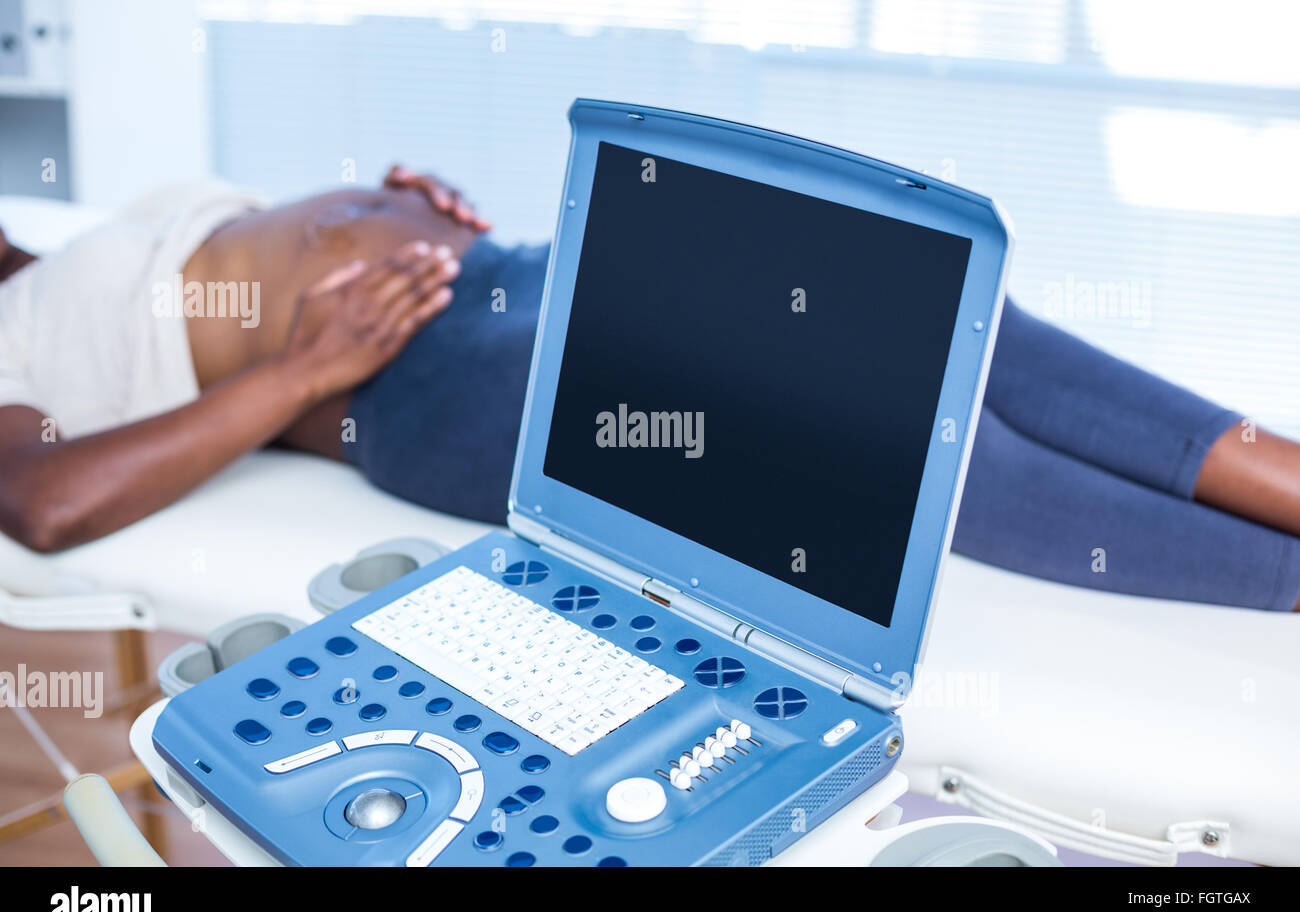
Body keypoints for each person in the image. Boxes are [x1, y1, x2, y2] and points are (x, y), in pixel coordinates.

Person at [1, 170, 1297, 612]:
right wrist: (303, 367)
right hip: (420, 380)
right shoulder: (13, 343)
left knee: (926, 295)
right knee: (869, 430)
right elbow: (46, 505)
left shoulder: (68, 245)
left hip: (523, 266)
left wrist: (391, 198)